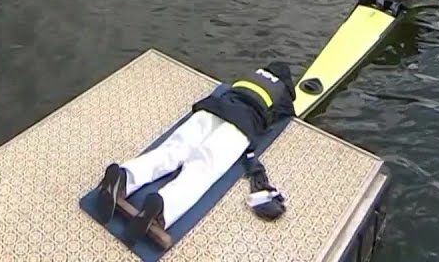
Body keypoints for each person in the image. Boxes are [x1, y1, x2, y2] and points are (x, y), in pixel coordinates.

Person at [95, 62, 296, 244]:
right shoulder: (282, 93)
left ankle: (124, 176)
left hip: (212, 109)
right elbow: (286, 113)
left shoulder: (251, 75)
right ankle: (162, 206)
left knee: (172, 150)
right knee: (202, 168)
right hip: (241, 124)